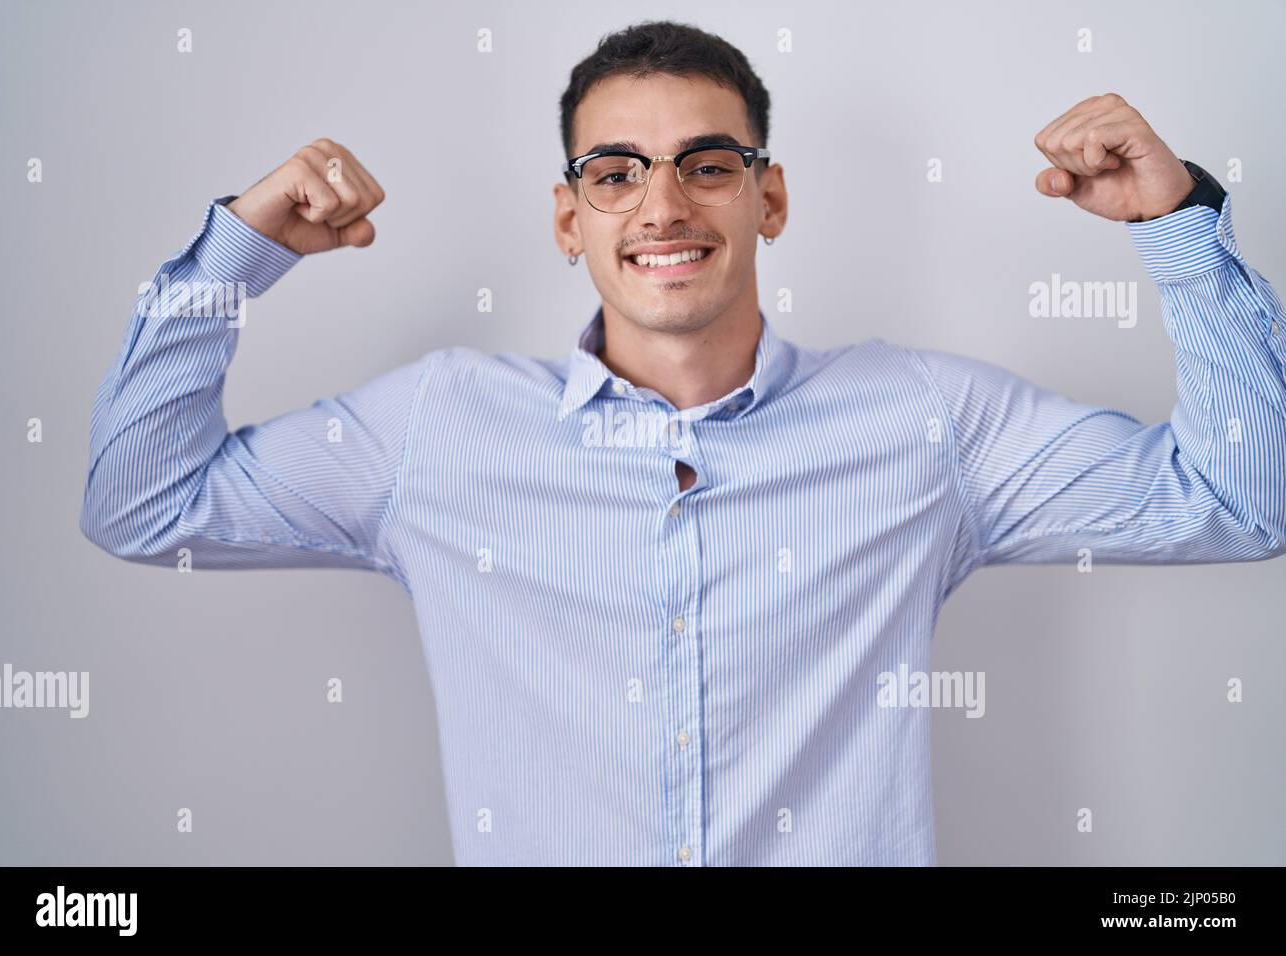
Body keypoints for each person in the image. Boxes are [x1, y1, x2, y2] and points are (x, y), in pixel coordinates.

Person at [79, 20, 1286, 866]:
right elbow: (142, 504)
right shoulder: (437, 429)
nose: (662, 206)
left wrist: (1177, 226)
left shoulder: (929, 425)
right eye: (616, 173)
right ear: (569, 218)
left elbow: (1245, 502)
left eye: (707, 165)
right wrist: (241, 251)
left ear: (768, 199)